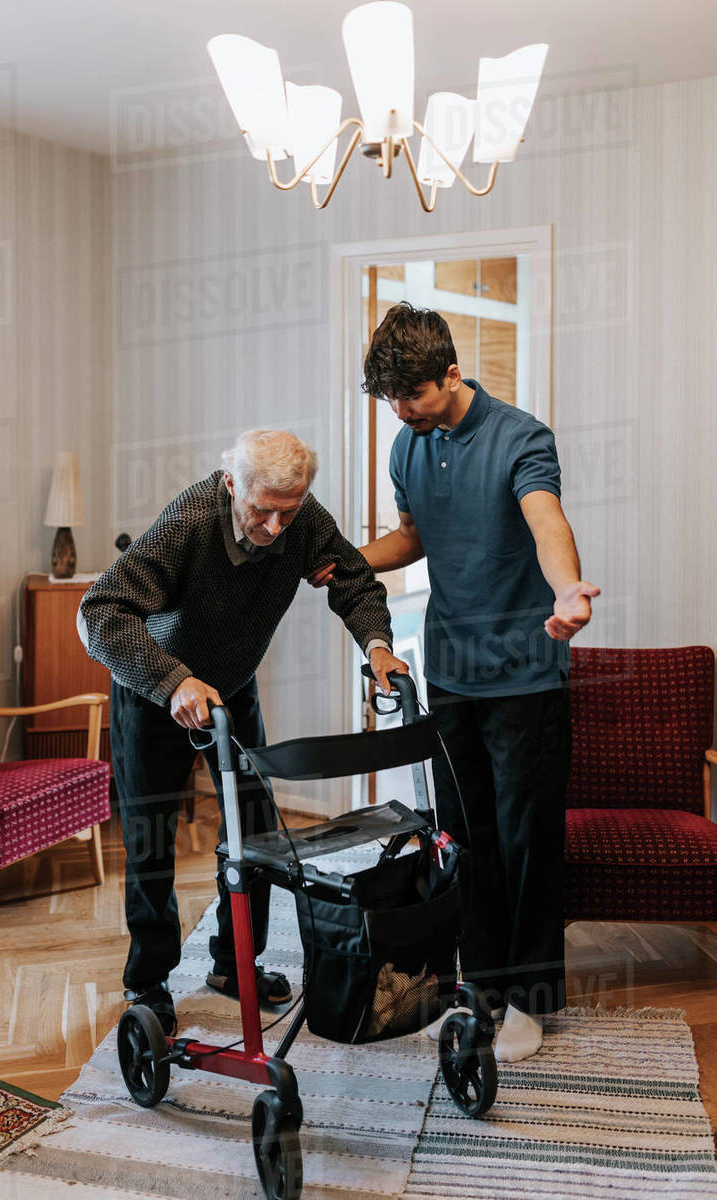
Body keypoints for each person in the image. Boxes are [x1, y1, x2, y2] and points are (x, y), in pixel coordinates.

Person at [310, 303, 599, 1062]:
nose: (403, 413)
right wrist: (351, 563)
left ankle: (530, 1002)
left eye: (414, 396)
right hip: (453, 673)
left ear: (452, 373)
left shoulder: (521, 437)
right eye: (393, 401)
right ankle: (479, 989)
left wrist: (567, 592)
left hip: (526, 676)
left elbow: (546, 523)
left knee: (524, 837)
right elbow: (414, 536)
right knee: (462, 838)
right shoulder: (409, 445)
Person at [77, 429, 407, 1035]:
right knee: (152, 838)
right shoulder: (190, 521)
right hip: (157, 691)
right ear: (232, 484)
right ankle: (147, 980)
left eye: (290, 509)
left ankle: (235, 963)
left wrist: (378, 646)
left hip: (231, 686)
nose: (278, 526)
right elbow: (99, 611)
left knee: (254, 830)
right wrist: (172, 681)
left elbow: (354, 579)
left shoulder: (300, 517)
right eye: (262, 510)